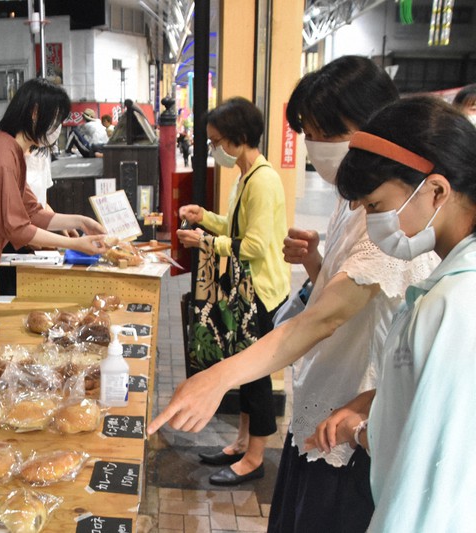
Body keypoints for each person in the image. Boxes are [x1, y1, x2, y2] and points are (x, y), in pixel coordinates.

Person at [147, 56, 438, 532]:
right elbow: (349, 295)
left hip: (348, 417)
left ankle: (251, 448)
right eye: (309, 133)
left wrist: (217, 377)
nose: (315, 146)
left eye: (327, 133)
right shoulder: (353, 200)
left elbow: (322, 318)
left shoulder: (395, 213)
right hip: (323, 400)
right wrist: (317, 264)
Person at [307, 96, 476, 531]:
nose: (372, 221)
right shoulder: (446, 285)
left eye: (377, 207)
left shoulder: (454, 304)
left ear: (436, 190)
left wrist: (362, 430)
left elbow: (429, 461)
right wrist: (375, 402)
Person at [0, 78, 108, 343]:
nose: (58, 128)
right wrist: (75, 244)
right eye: (56, 120)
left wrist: (82, 221)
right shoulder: (1, 155)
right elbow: (17, 227)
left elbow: (32, 212)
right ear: (35, 113)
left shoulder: (10, 151)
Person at [176, 98, 290, 486]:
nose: (214, 150)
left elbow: (254, 246)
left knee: (255, 376)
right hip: (245, 292)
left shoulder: (263, 180)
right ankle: (242, 441)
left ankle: (255, 457)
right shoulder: (246, 176)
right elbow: (234, 226)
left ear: (239, 138)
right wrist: (204, 219)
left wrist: (204, 243)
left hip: (261, 292)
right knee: (243, 369)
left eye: (216, 142)